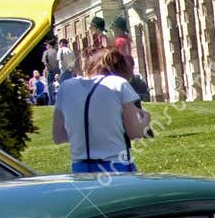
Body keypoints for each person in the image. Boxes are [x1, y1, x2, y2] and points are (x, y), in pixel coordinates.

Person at [52, 46, 150, 174]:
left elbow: (58, 136)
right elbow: (135, 133)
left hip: (80, 168)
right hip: (115, 166)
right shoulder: (118, 84)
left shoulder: (66, 87)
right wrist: (146, 118)